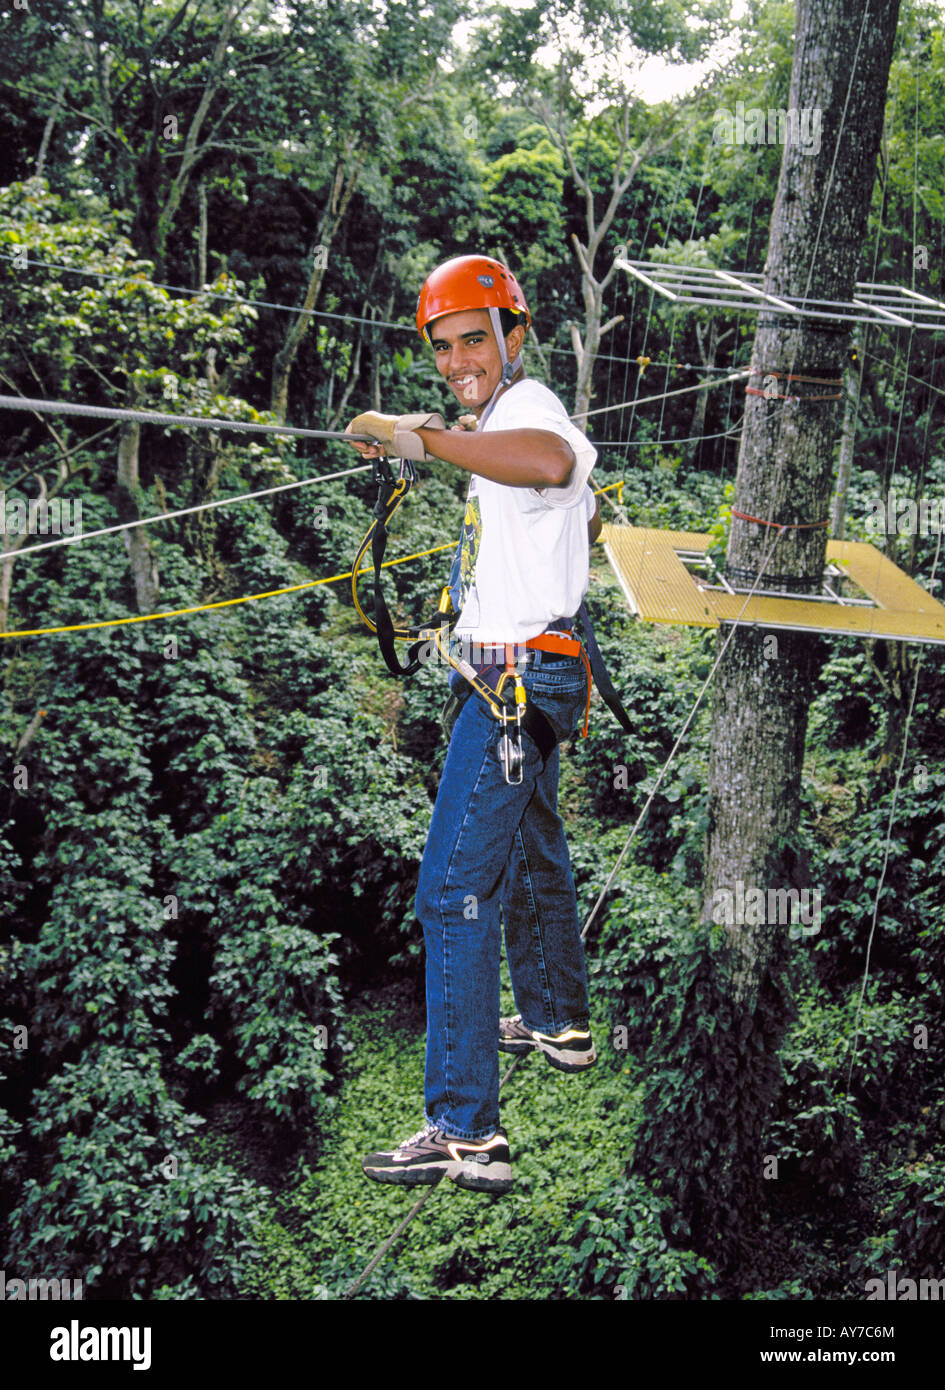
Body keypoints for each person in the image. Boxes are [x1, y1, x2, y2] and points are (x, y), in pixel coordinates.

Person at [346, 254, 601, 1194]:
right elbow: (503, 459)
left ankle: (465, 1131)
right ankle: (556, 1021)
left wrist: (422, 442)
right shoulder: (494, 419)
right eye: (443, 346)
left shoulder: (531, 411)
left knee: (450, 891)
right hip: (520, 670)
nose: (458, 359)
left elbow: (548, 461)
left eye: (474, 340)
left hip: (516, 682)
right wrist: (431, 435)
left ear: (514, 335)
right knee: (533, 851)